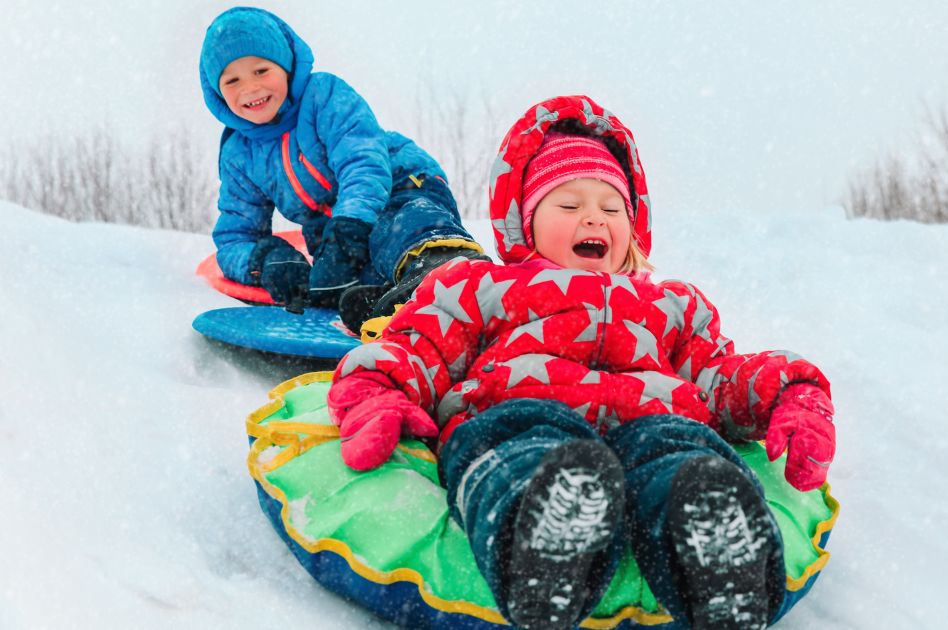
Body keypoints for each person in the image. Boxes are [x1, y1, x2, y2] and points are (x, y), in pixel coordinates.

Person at [326, 95, 836, 630]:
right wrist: (374, 391)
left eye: (611, 208)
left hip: (651, 423)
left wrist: (789, 391)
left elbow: (719, 376)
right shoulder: (482, 286)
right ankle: (541, 540)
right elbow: (417, 345)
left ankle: (715, 550)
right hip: (520, 413)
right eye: (568, 206)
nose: (593, 216)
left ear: (632, 227)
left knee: (682, 452)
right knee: (514, 443)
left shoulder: (672, 305)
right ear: (525, 222)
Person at [198, 7, 485, 321]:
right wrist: (266, 259)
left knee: (400, 224)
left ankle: (444, 266)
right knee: (336, 284)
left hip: (399, 184)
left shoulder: (323, 96)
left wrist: (349, 228)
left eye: (261, 71)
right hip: (330, 225)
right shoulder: (239, 152)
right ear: (217, 93)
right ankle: (388, 303)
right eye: (232, 80)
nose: (250, 88)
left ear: (287, 67)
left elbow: (363, 163)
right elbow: (235, 235)